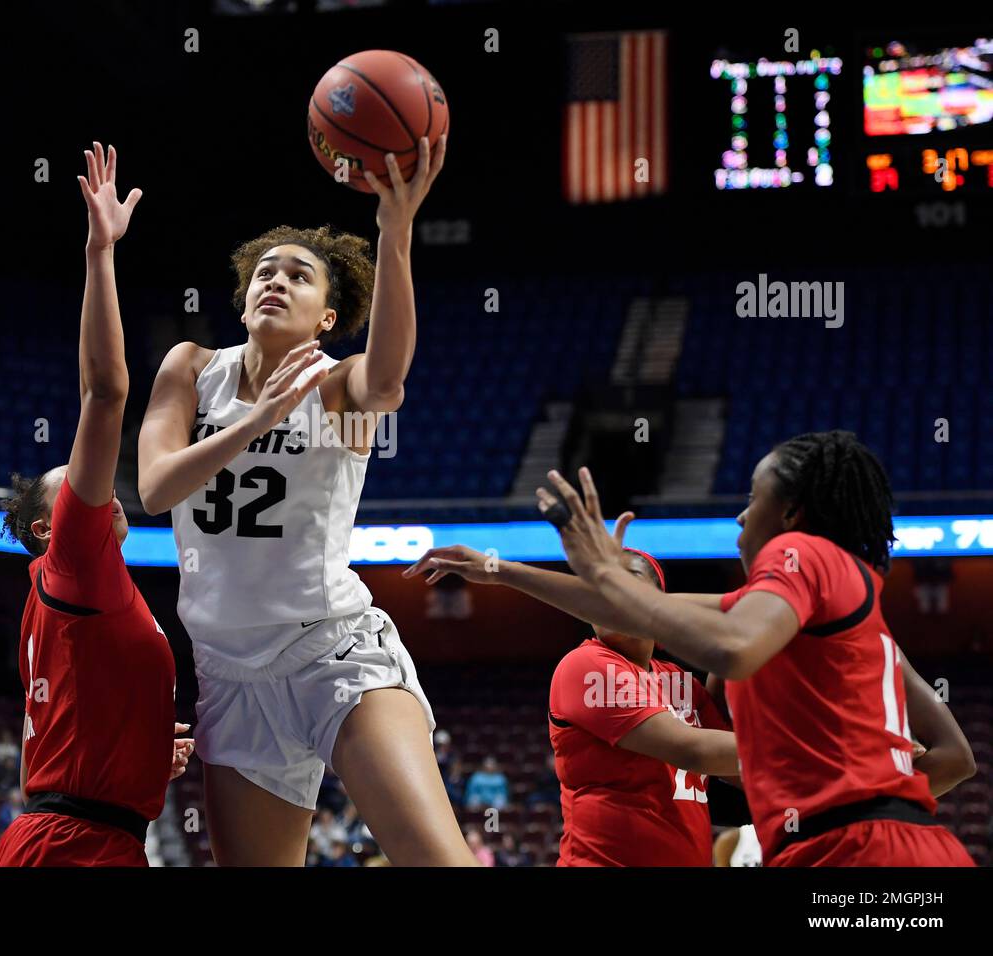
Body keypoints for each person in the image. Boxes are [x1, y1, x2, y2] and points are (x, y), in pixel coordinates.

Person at [138, 136, 471, 866]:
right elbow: (157, 489)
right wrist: (254, 423)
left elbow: (386, 383)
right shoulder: (191, 369)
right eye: (264, 271)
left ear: (327, 315)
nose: (276, 281)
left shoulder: (338, 384)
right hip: (228, 672)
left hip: (334, 652)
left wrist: (395, 232)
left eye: (300, 275)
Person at [494, 431, 976, 866]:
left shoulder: (799, 554)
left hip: (852, 846)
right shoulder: (839, 611)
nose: (741, 513)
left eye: (753, 497)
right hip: (876, 840)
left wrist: (852, 799)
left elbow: (727, 653)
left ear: (790, 513)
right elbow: (955, 757)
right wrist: (500, 570)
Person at [0, 143, 192, 867]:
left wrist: (130, 759)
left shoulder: (55, 601)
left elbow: (34, 765)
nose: (93, 487)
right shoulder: (72, 564)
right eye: (73, 484)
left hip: (71, 836)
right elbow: (104, 393)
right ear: (52, 526)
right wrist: (100, 254)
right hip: (76, 845)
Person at [405, 544, 739, 866]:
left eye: (627, 584)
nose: (611, 597)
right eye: (600, 588)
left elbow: (739, 769)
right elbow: (695, 750)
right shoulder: (587, 665)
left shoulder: (682, 682)